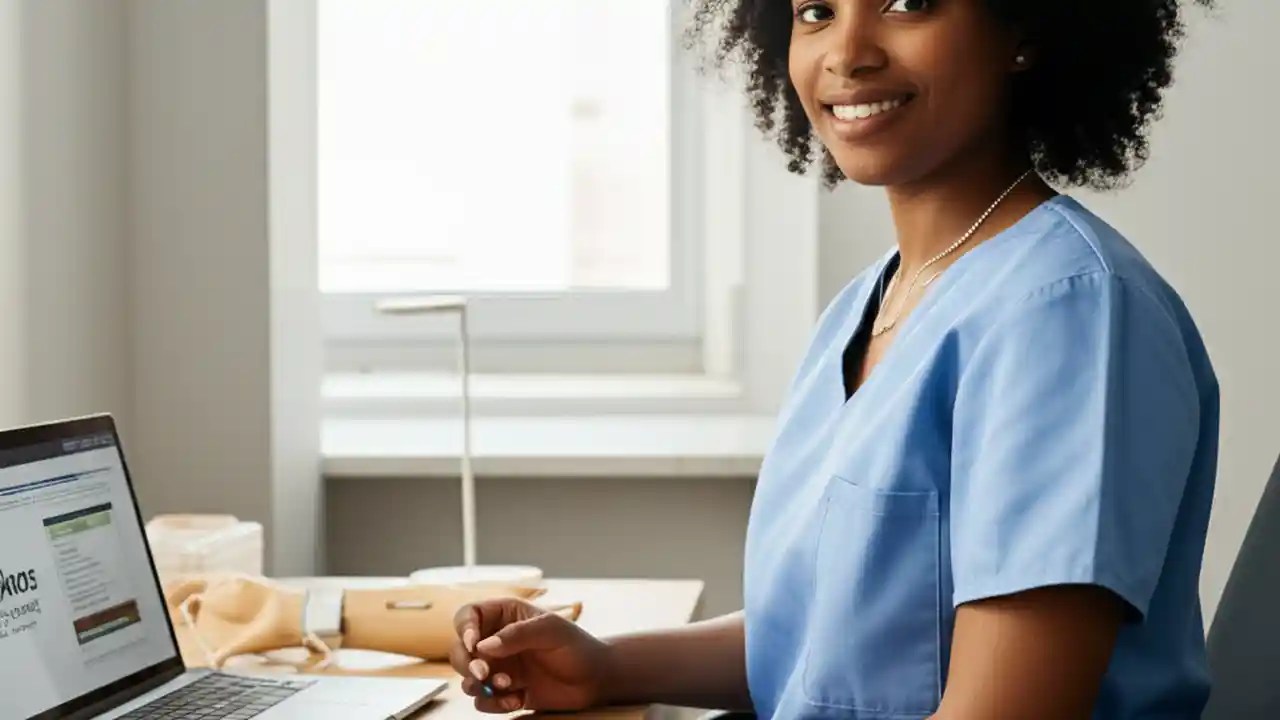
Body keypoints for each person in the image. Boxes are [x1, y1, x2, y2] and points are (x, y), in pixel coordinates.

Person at [448, 0, 1220, 717]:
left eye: (908, 3)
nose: (848, 53)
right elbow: (834, 647)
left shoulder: (1068, 312)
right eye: (816, 10)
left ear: (1021, 28)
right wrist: (606, 667)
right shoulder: (873, 303)